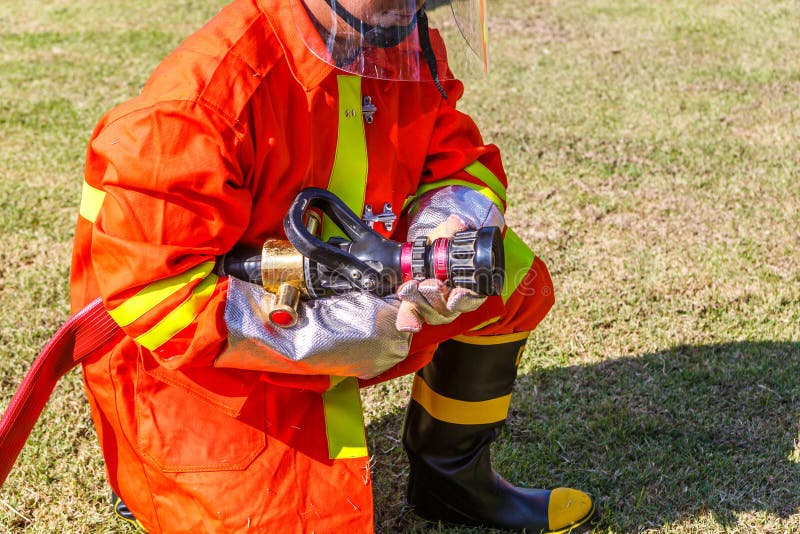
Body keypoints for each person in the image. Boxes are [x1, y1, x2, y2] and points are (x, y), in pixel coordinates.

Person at [70, 0, 598, 532]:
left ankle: (452, 481)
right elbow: (157, 294)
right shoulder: (202, 99)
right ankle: (151, 480)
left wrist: (443, 228)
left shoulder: (388, 37)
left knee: (507, 274)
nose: (415, 9)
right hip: (206, 364)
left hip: (335, 294)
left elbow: (457, 160)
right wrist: (357, 329)